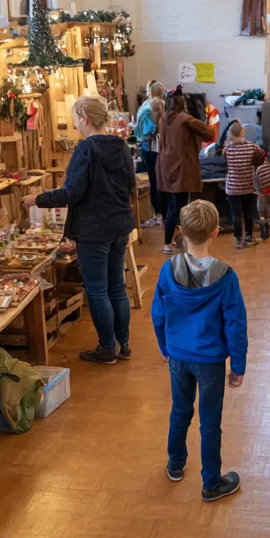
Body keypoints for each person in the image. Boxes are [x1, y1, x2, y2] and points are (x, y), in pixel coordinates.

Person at [24, 95, 135, 365]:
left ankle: (107, 348)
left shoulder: (86, 150)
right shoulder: (121, 147)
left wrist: (35, 199)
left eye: (75, 118)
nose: (74, 125)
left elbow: (71, 193)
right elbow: (130, 185)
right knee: (116, 287)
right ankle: (123, 344)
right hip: (120, 226)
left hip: (94, 230)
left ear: (85, 118)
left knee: (97, 290)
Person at [151, 200, 246, 501]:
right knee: (210, 421)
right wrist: (238, 365)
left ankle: (175, 464)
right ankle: (211, 482)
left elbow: (158, 312)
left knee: (180, 411)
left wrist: (164, 345)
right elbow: (236, 324)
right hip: (210, 361)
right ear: (216, 232)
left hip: (178, 355)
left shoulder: (168, 270)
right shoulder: (226, 276)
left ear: (179, 232)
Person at [156, 94, 211, 254]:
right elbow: (209, 134)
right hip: (182, 166)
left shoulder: (163, 120)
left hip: (165, 166)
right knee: (179, 205)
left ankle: (173, 239)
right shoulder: (186, 120)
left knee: (173, 204)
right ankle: (173, 242)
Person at [220, 121, 264, 249]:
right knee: (248, 213)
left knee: (236, 214)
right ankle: (249, 237)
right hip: (247, 186)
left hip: (233, 187)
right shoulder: (251, 146)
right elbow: (261, 153)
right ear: (242, 132)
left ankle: (239, 240)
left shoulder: (228, 148)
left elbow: (223, 157)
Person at [133, 83, 166, 225]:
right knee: (160, 180)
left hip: (149, 147)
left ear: (150, 92)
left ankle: (156, 213)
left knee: (152, 181)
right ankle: (162, 213)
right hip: (162, 148)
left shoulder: (149, 107)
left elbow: (145, 132)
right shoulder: (165, 105)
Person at [254, 151, 270, 239]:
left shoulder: (258, 168)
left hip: (264, 190)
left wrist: (257, 191)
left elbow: (256, 182)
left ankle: (263, 225)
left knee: (261, 208)